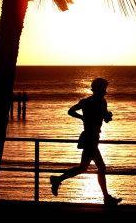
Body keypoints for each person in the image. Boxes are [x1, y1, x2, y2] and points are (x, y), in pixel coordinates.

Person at [50, 78, 122, 206]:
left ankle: (57, 179)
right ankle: (106, 198)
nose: (105, 91)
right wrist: (104, 117)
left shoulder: (88, 102)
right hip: (91, 139)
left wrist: (84, 117)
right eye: (104, 88)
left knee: (82, 168)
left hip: (92, 138)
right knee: (101, 167)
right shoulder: (99, 102)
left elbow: (71, 111)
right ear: (99, 89)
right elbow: (105, 118)